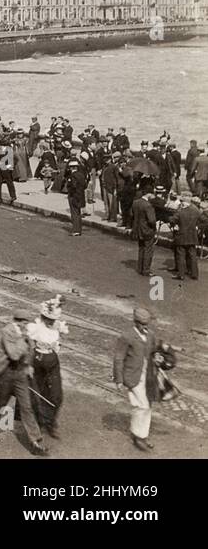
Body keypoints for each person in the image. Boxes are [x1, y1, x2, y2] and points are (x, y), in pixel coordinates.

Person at [0, 309, 48, 455]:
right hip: (6, 373)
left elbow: (31, 350)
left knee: (27, 407)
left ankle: (35, 441)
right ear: (18, 321)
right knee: (0, 403)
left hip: (20, 374)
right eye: (25, 323)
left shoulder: (24, 332)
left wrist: (29, 365)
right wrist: (23, 340)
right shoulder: (7, 332)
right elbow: (13, 354)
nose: (26, 326)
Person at [113, 307, 159, 451]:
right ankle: (138, 436)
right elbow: (119, 358)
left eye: (146, 324)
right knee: (142, 406)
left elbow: (154, 351)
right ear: (135, 322)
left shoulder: (150, 335)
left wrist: (158, 356)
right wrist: (119, 379)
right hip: (133, 376)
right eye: (142, 324)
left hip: (148, 375)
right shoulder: (126, 336)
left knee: (147, 406)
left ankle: (141, 435)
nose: (145, 327)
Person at [27, 298, 67, 439]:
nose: (52, 322)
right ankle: (40, 423)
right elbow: (29, 347)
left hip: (52, 362)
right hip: (38, 362)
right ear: (43, 317)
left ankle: (50, 421)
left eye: (54, 319)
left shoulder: (56, 326)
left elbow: (60, 336)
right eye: (49, 319)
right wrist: (29, 364)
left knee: (57, 395)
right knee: (38, 393)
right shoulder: (35, 328)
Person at [132, 183, 158, 277]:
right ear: (149, 194)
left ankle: (140, 268)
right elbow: (152, 220)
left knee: (141, 248)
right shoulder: (148, 205)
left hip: (138, 229)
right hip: (147, 230)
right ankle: (146, 269)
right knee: (148, 250)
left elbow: (132, 215)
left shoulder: (136, 202)